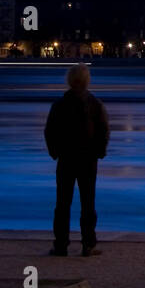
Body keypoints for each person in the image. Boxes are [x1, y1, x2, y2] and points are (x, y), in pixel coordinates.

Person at [44, 63, 110, 256]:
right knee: (88, 202)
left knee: (63, 203)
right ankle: (88, 243)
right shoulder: (95, 104)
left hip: (66, 158)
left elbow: (50, 131)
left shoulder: (59, 104)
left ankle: (61, 244)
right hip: (88, 159)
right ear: (87, 80)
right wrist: (100, 151)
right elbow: (103, 130)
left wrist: (55, 152)